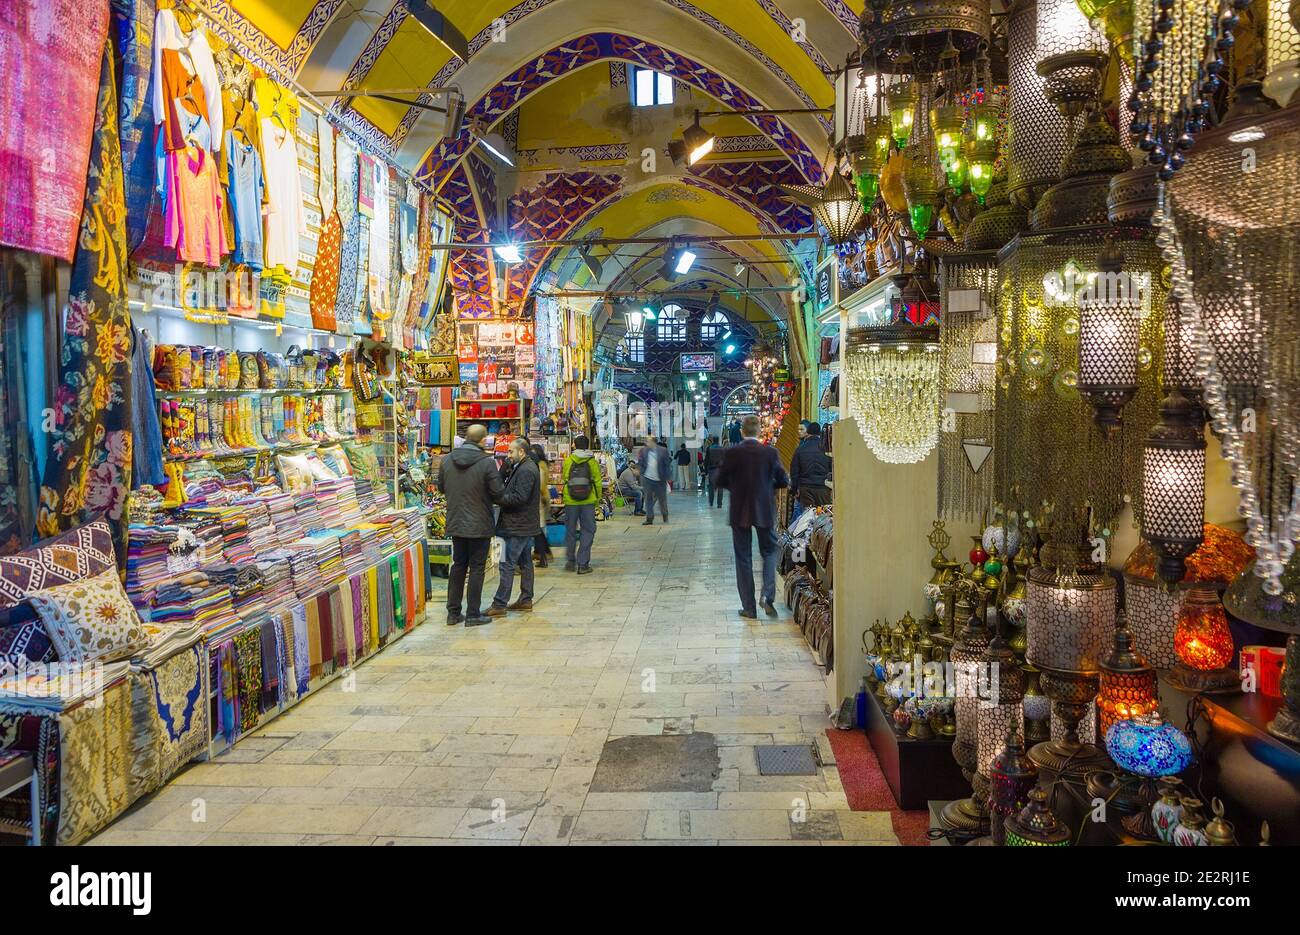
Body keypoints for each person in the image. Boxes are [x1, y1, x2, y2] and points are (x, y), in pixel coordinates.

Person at [436, 424, 521, 626]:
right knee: (476, 568)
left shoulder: (447, 460)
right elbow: (498, 493)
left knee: (458, 565)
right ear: (483, 440)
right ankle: (473, 614)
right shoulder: (486, 463)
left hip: (456, 521)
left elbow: (441, 487)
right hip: (479, 523)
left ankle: (453, 613)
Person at [716, 414, 789, 620]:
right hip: (764, 509)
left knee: (743, 557)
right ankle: (767, 595)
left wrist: (735, 487)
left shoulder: (732, 453)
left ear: (741, 432)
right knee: (769, 551)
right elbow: (783, 480)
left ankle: (749, 607)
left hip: (739, 510)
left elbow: (719, 480)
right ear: (759, 431)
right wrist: (767, 486)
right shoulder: (770, 453)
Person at [486, 439, 541, 616]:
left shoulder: (526, 470)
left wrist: (498, 499)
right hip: (521, 524)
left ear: (521, 452)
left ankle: (500, 604)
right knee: (525, 563)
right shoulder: (522, 467)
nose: (508, 455)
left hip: (517, 525)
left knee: (506, 563)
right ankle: (525, 599)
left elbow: (519, 498)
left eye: (511, 452)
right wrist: (505, 467)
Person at [561, 435, 603, 574]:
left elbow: (565, 478)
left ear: (575, 445)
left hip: (571, 501)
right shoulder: (592, 462)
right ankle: (583, 564)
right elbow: (597, 483)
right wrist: (597, 501)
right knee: (588, 531)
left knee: (570, 531)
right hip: (588, 501)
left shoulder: (568, 460)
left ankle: (570, 561)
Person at [790, 420, 833, 512]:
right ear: (819, 433)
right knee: (824, 515)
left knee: (808, 515)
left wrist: (794, 489)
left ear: (808, 432)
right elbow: (832, 468)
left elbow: (794, 472)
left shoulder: (800, 449)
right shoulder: (826, 449)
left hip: (805, 489)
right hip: (823, 488)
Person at [637, 434, 672, 525]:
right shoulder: (644, 451)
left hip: (660, 480)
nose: (646, 442)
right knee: (648, 499)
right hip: (648, 479)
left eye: (648, 441)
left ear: (653, 442)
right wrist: (641, 472)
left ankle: (665, 514)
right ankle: (649, 518)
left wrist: (667, 477)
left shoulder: (663, 451)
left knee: (662, 499)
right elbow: (640, 463)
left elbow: (667, 465)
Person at [529, 443, 553, 567]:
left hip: (538, 500)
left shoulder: (540, 466)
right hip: (539, 499)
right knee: (539, 529)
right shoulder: (540, 465)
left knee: (538, 530)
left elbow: (542, 486)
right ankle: (542, 553)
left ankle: (543, 555)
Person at [704, 435, 725, 508]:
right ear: (718, 440)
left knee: (711, 487)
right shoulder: (722, 449)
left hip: (711, 470)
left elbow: (706, 460)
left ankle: (711, 502)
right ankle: (719, 504)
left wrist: (705, 471)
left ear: (713, 440)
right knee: (720, 487)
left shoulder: (709, 448)